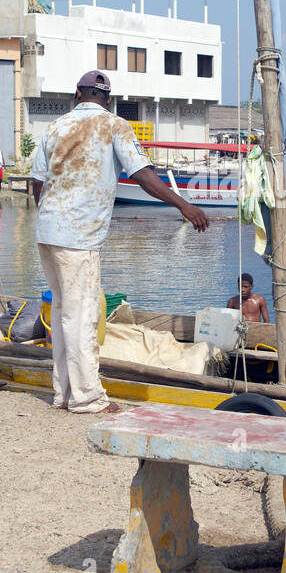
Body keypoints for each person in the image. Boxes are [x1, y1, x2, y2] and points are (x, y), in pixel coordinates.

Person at [31, 70, 210, 414]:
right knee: (81, 316)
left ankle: (64, 393)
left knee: (63, 312)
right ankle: (86, 398)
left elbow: (37, 183)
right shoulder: (114, 125)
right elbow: (142, 175)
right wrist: (184, 205)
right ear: (108, 99)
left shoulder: (54, 127)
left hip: (48, 231)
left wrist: (51, 214)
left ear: (78, 94)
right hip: (78, 235)